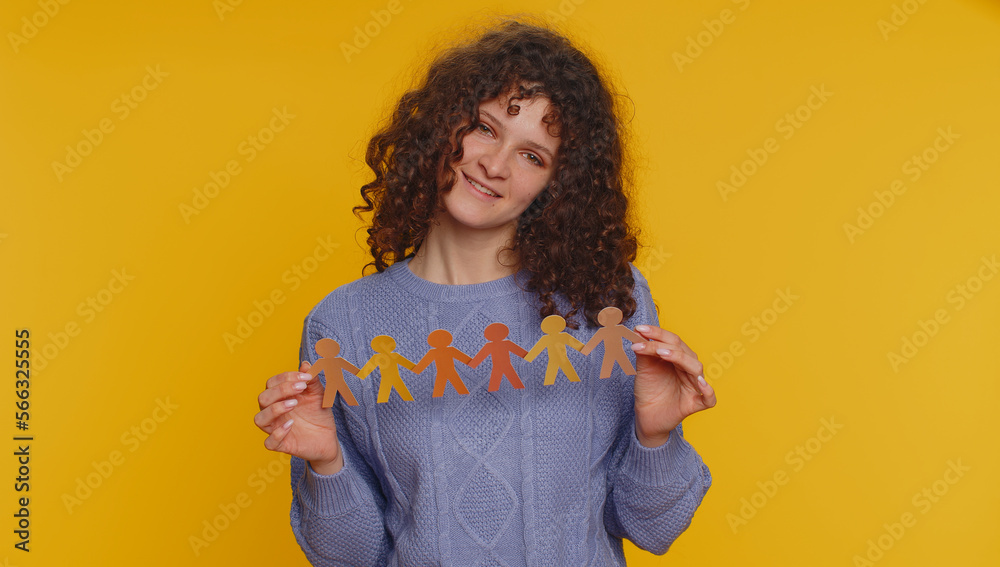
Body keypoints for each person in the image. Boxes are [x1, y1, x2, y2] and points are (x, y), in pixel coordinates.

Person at [254, 18, 717, 566]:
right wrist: (325, 463)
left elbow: (651, 529)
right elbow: (351, 557)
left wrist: (655, 437)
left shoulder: (607, 301)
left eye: (532, 156)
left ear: (557, 184)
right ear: (445, 125)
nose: (494, 166)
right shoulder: (343, 324)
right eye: (486, 128)